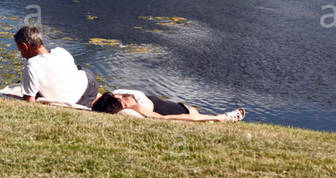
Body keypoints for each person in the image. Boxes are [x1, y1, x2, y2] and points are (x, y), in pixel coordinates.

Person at [13, 24, 98, 107]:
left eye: (20, 50)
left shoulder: (31, 65)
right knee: (79, 68)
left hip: (76, 101)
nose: (22, 55)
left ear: (25, 46)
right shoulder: (61, 51)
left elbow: (29, 102)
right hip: (90, 89)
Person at [92, 91, 245, 123]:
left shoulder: (116, 94)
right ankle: (224, 117)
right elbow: (164, 118)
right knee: (207, 120)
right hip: (182, 110)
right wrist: (219, 117)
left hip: (178, 105)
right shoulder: (135, 108)